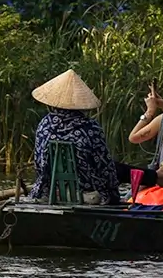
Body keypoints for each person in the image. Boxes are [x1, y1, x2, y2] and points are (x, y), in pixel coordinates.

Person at [28, 68, 120, 205]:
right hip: (85, 194)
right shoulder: (90, 128)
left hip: (49, 192)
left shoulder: (44, 125)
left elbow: (39, 164)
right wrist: (113, 193)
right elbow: (104, 165)